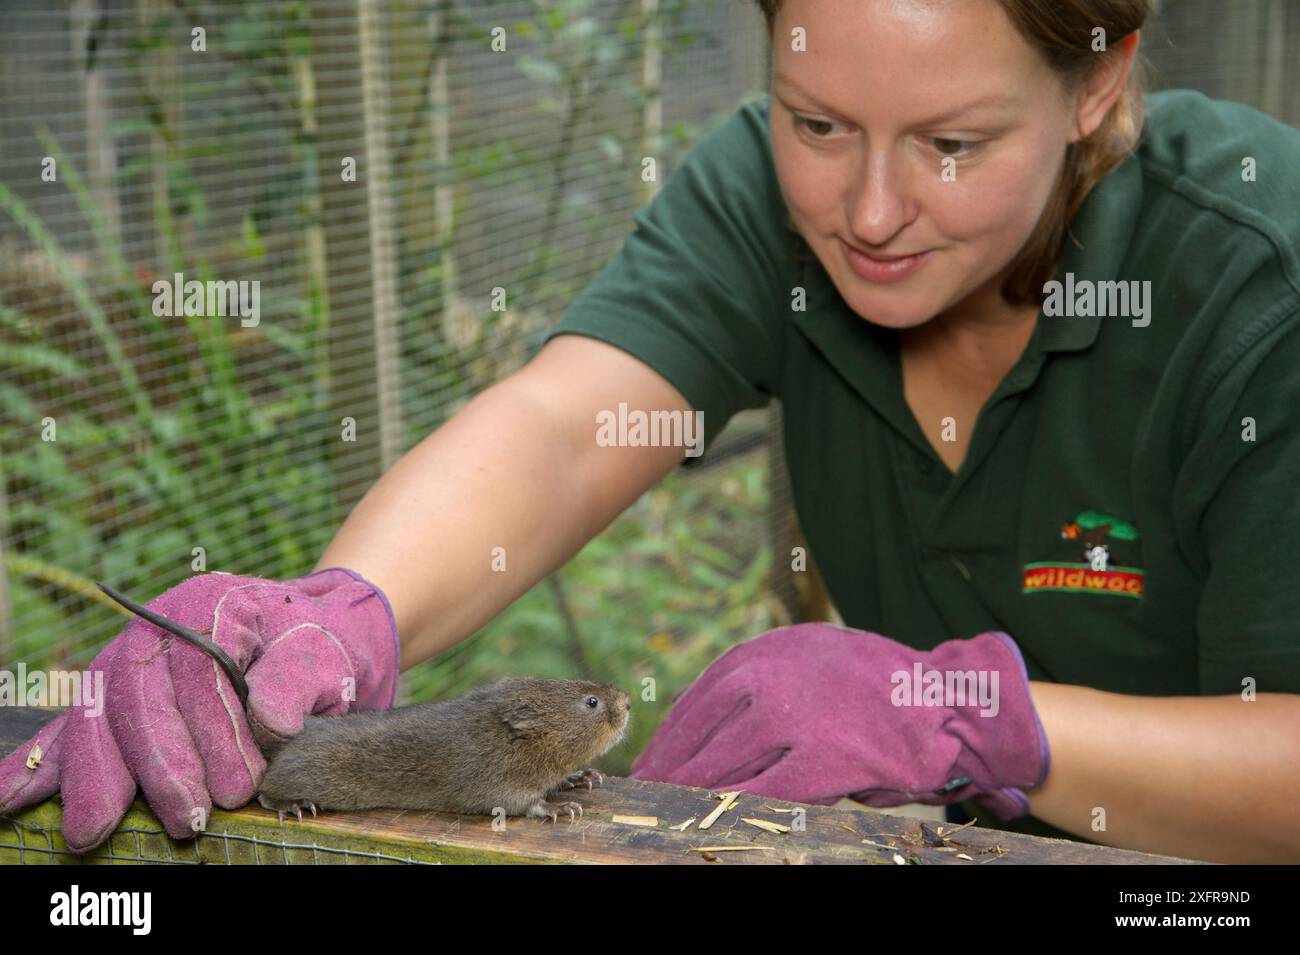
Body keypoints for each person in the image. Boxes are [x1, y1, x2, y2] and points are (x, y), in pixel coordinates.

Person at [3, 0, 1299, 863]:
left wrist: (972, 719)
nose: (871, 210)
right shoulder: (760, 198)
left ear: (1100, 80)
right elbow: (565, 430)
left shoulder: (1256, 281)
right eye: (819, 124)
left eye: (954, 142)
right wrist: (341, 605)